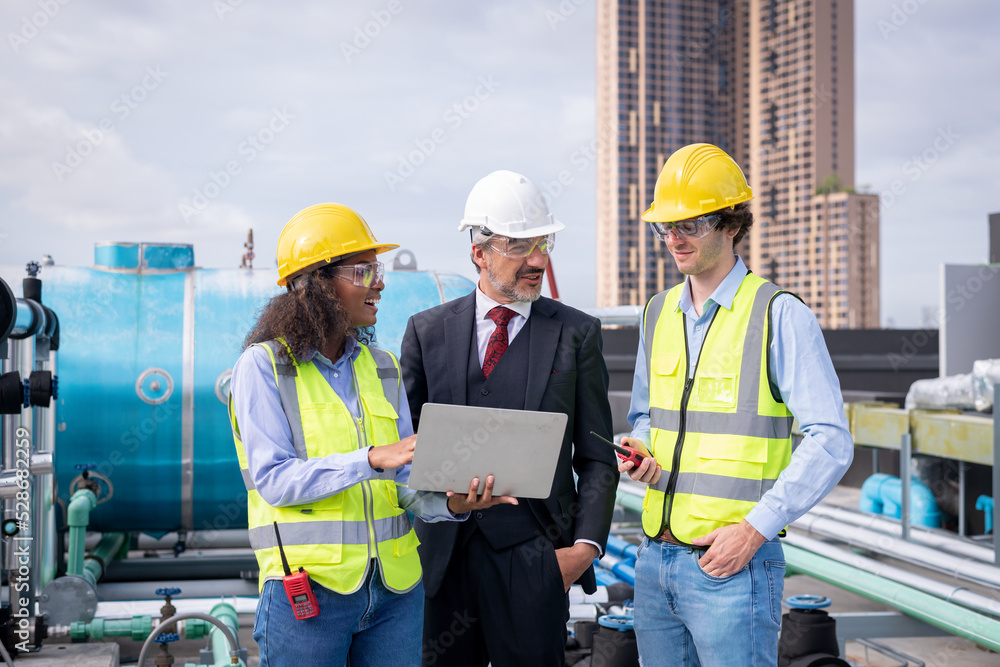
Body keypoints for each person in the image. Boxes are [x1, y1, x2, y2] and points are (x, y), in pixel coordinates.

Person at [229, 203, 512, 667]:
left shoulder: (382, 367)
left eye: (376, 269)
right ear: (316, 285)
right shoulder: (263, 368)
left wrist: (453, 503)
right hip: (311, 595)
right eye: (362, 271)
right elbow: (274, 481)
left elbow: (403, 485)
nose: (379, 281)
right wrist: (371, 457)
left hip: (396, 596)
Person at [620, 144, 854, 666]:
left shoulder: (779, 315)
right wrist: (641, 450)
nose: (674, 239)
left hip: (730, 566)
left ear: (731, 224)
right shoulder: (657, 314)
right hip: (655, 559)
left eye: (691, 224)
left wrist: (755, 530)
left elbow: (832, 441)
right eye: (665, 227)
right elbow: (645, 415)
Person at [400, 170, 619, 667]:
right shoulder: (426, 333)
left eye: (543, 244)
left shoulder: (576, 333)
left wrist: (584, 549)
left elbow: (597, 456)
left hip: (536, 557)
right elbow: (404, 451)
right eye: (520, 247)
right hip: (441, 560)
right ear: (479, 252)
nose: (537, 260)